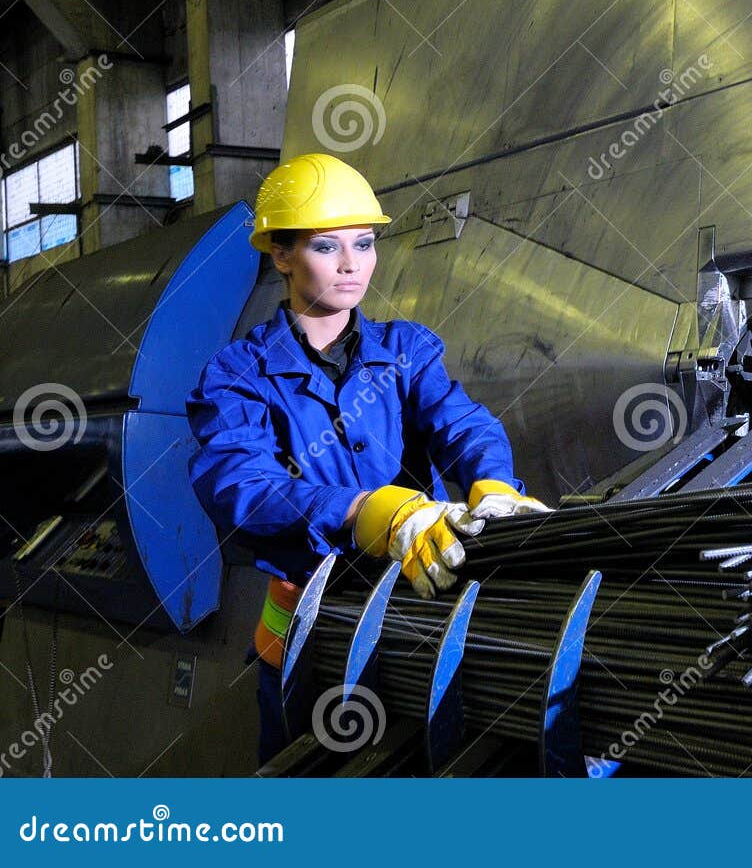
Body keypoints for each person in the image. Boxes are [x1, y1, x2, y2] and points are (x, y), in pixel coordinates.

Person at [185, 152, 545, 766]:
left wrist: (493, 482)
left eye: (365, 243)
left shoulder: (406, 351)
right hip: (309, 643)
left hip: (418, 620)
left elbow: (461, 423)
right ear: (281, 255)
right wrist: (362, 510)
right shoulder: (239, 374)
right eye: (327, 246)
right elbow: (239, 483)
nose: (352, 264)